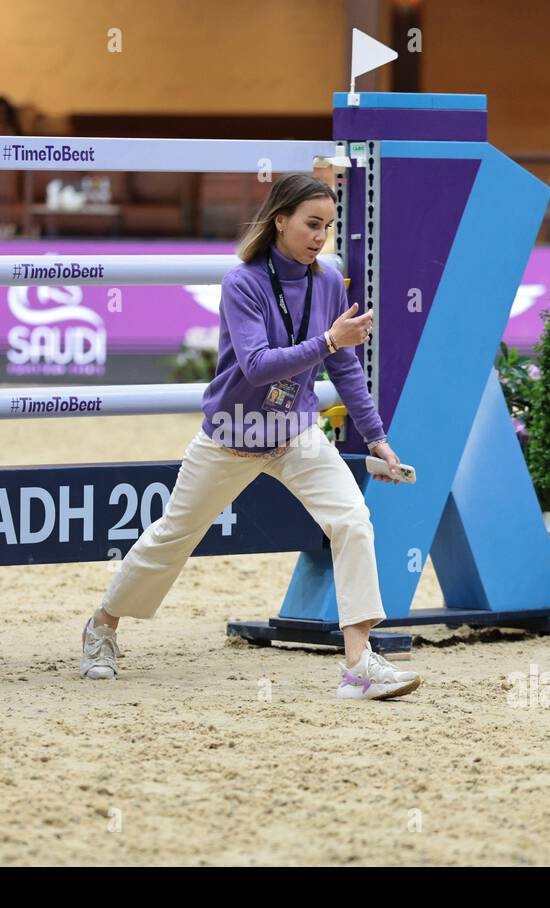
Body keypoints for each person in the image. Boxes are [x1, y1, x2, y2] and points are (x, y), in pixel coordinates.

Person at [79, 173, 421, 701]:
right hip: (231, 435)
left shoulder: (328, 281)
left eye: (327, 227)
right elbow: (259, 366)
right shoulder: (242, 282)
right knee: (174, 537)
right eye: (311, 224)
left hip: (296, 433)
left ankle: (358, 662)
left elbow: (346, 368)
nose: (320, 237)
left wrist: (376, 438)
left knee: (352, 520)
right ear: (279, 220)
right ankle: (103, 626)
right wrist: (329, 338)